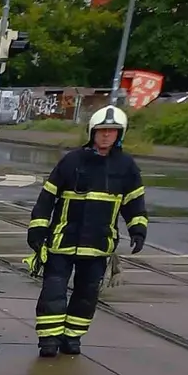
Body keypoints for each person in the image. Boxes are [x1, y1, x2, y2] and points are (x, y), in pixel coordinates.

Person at [26, 105, 147, 356]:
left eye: (112, 132)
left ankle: (72, 337)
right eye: (102, 131)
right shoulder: (72, 161)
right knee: (53, 291)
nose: (106, 136)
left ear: (119, 135)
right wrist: (37, 229)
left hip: (98, 244)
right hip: (62, 241)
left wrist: (138, 229)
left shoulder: (126, 167)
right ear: (92, 132)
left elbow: (134, 202)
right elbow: (47, 197)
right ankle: (49, 340)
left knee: (87, 294)